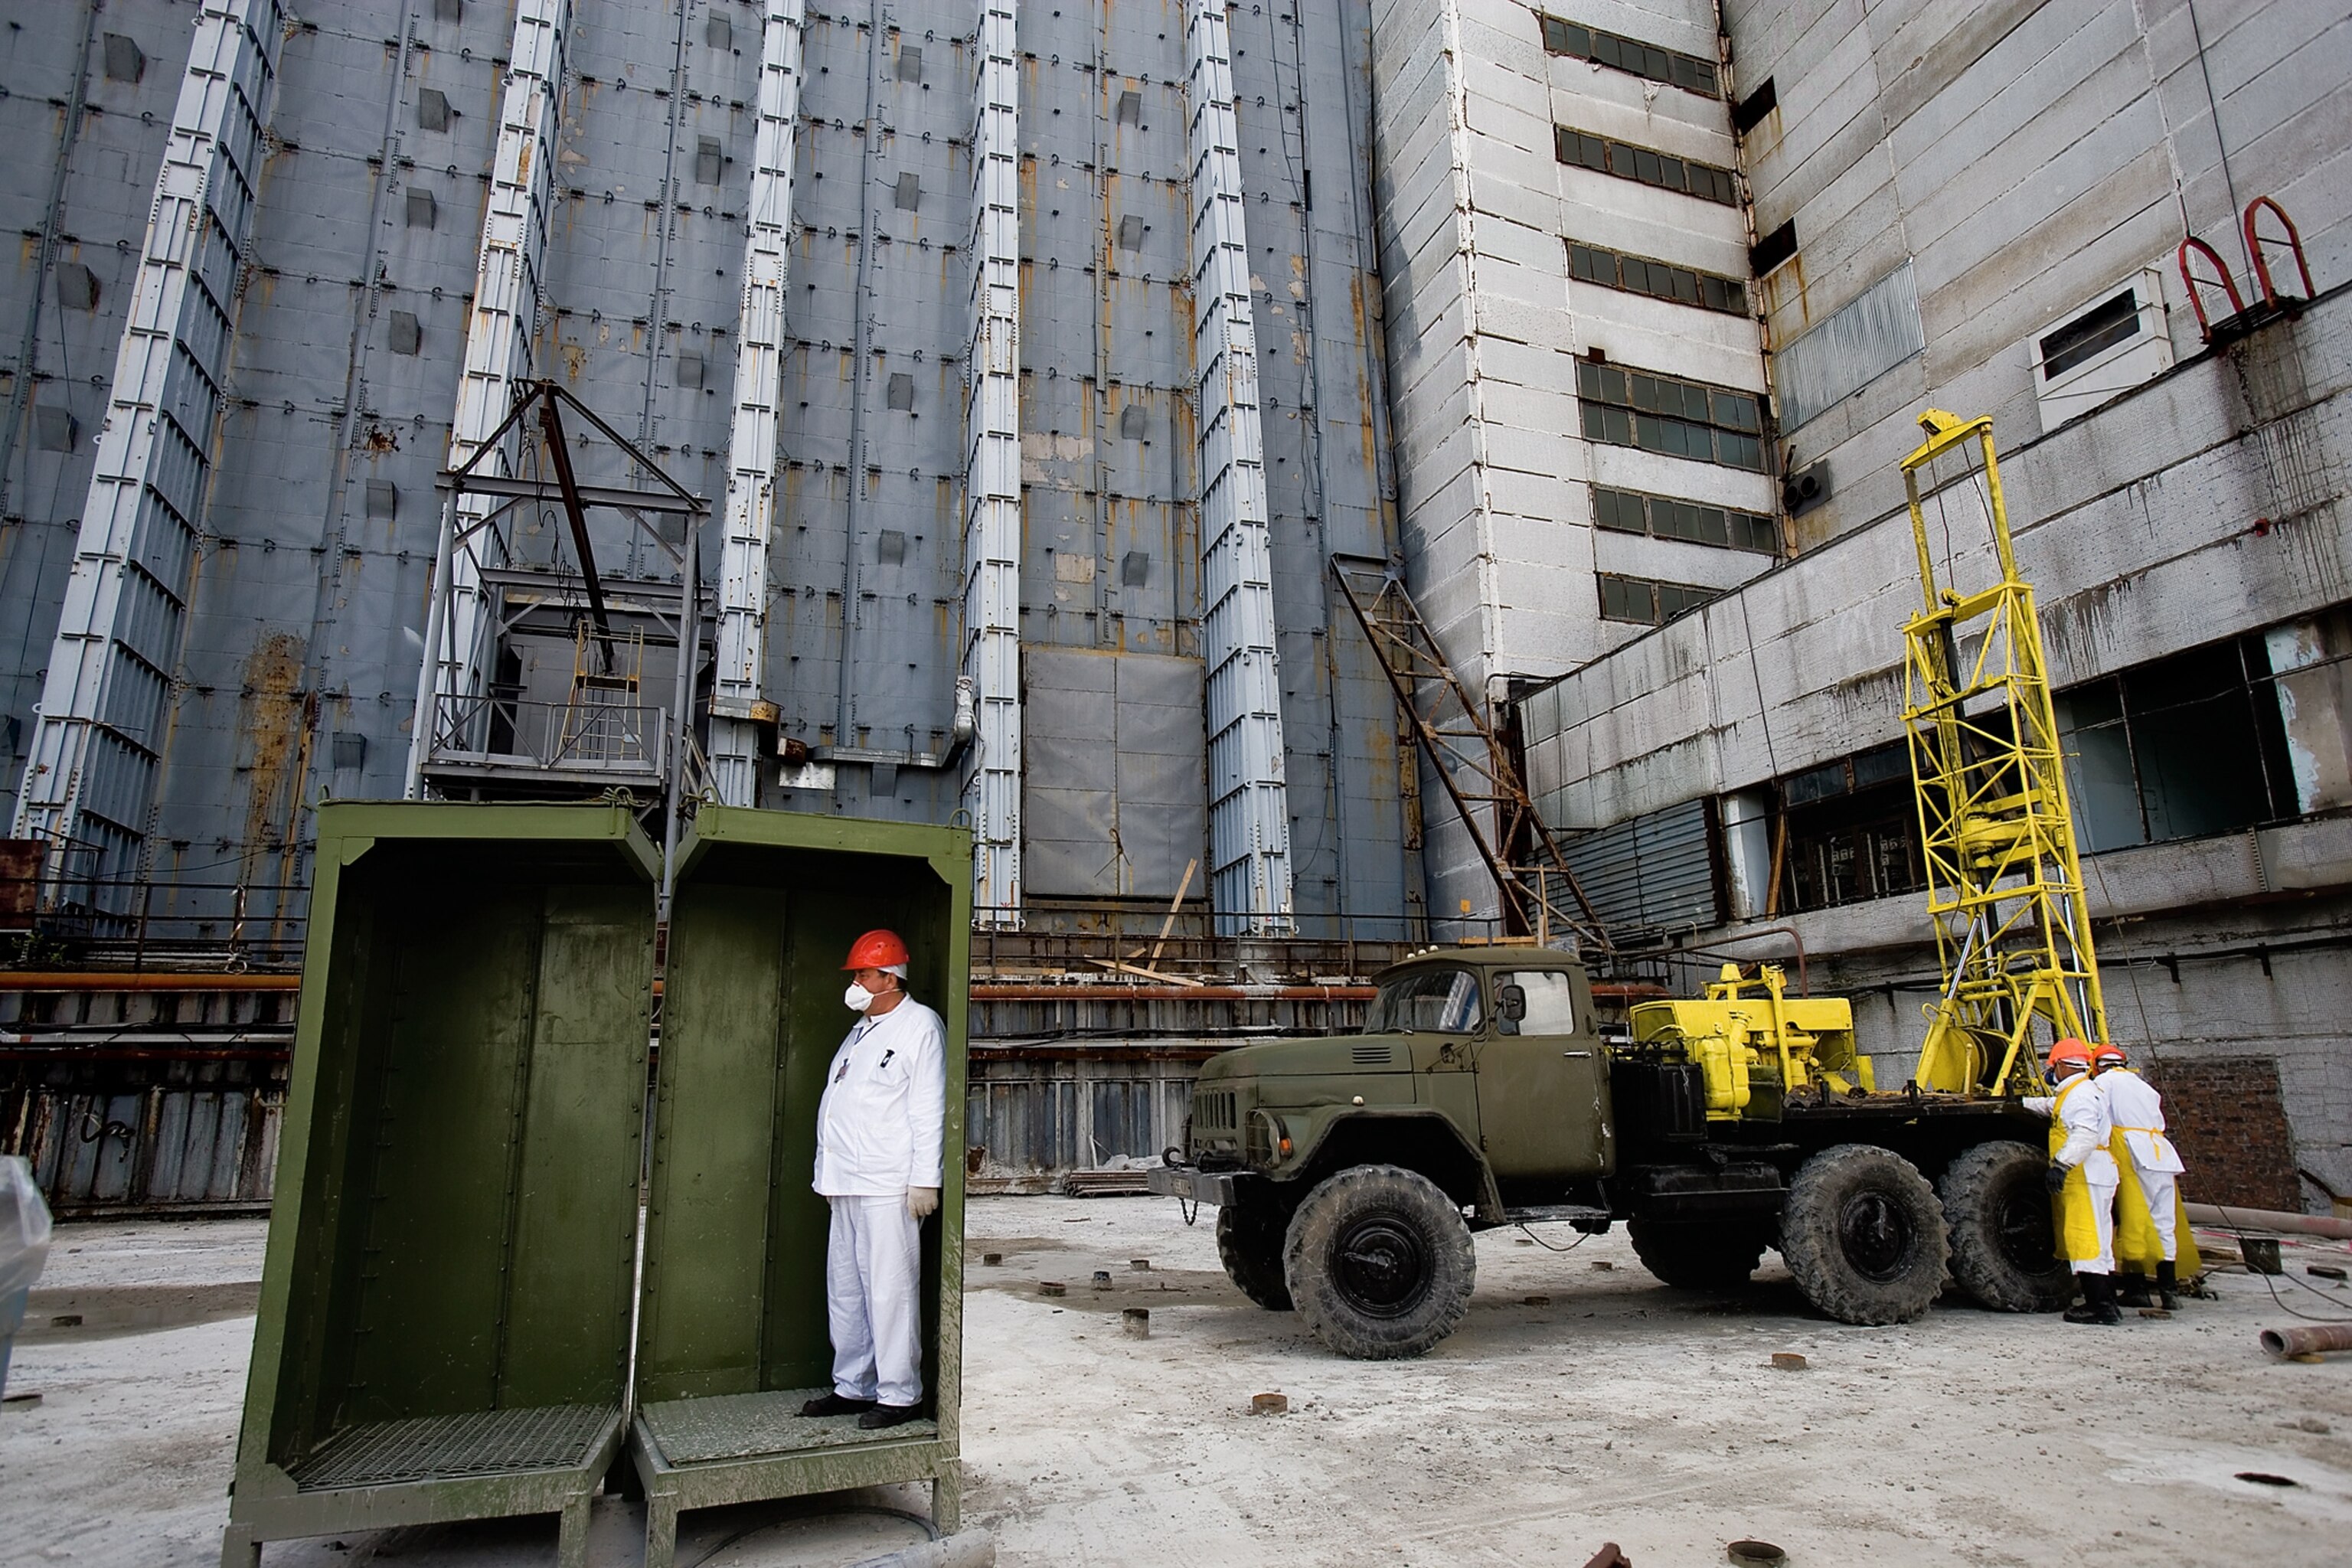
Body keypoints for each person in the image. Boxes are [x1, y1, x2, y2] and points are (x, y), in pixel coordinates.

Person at [799, 929, 946, 1429]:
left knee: (889, 1290)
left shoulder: (920, 1027)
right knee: (846, 1289)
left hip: (888, 1182)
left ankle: (900, 1393)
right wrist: (828, 1175)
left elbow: (928, 1107)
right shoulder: (860, 1031)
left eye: (863, 974)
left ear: (890, 977)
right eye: (857, 974)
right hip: (845, 1182)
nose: (857, 982)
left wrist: (925, 1179)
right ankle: (854, 1386)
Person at [2022, 1037, 2122, 1325]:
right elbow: (2053, 1106)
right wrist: (2023, 1102)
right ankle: (2107, 1304)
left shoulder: (2080, 1096)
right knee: (2100, 1241)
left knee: (2085, 1239)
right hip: (2093, 1174)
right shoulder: (2080, 1091)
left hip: (2085, 1174)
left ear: (2064, 1066)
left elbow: (2086, 1133)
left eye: (2053, 1066)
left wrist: (2062, 1165)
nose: (2050, 1071)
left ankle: (2100, 1308)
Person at [2093, 1043, 2188, 1310]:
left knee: (2132, 1220)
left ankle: (2137, 1289)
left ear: (2098, 1064)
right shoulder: (2145, 1087)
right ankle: (2169, 1293)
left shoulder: (2103, 1083)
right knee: (2163, 1223)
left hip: (2133, 1154)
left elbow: (2097, 1117)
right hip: (2162, 1155)